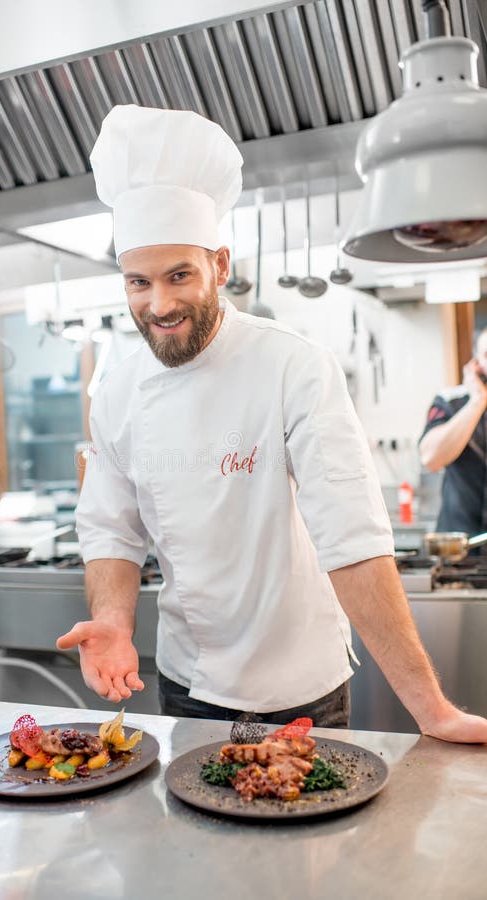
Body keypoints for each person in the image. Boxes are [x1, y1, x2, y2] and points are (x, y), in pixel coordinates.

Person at [57, 105, 487, 744]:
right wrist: (114, 620)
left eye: (180, 275)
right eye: (139, 282)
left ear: (221, 266)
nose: (160, 303)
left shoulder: (294, 365)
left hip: (301, 688)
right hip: (186, 681)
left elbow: (351, 535)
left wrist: (431, 710)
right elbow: (111, 531)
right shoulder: (117, 390)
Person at [419, 329, 487, 536]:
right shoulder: (449, 401)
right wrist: (477, 401)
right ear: (476, 363)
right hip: (460, 548)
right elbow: (431, 459)